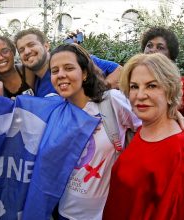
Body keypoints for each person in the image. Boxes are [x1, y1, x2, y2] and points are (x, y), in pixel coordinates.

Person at [49, 43, 140, 220]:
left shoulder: (111, 101)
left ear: (84, 73)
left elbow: (152, 123)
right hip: (63, 213)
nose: (61, 75)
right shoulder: (52, 107)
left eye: (68, 68)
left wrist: (175, 117)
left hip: (106, 214)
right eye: (54, 70)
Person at [103, 53, 184, 219]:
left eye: (151, 86)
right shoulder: (144, 129)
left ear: (170, 91)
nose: (139, 95)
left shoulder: (177, 151)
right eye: (134, 86)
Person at [14, 28, 121, 97]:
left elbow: (120, 71)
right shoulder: (35, 84)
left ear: (46, 46)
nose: (27, 51)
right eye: (21, 50)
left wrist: (97, 94)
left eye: (31, 45)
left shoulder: (71, 60)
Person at [140, 26, 184, 114]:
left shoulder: (181, 85)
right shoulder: (133, 81)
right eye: (149, 45)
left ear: (170, 56)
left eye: (160, 47)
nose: (152, 50)